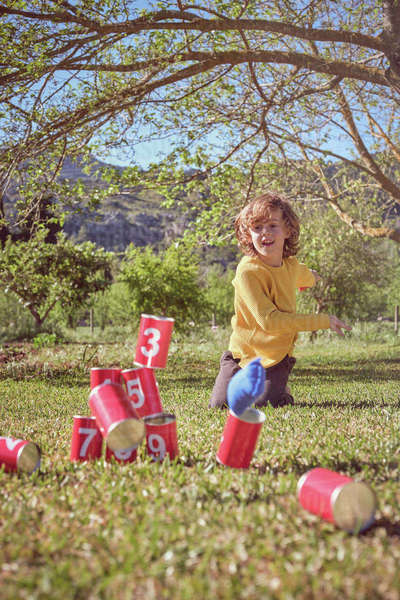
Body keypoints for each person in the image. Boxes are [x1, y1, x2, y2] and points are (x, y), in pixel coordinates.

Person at [209, 191, 351, 409]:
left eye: (272, 225)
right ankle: (257, 382)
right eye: (257, 227)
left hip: (275, 357)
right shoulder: (247, 272)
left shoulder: (291, 266)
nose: (265, 233)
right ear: (248, 234)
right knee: (221, 405)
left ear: (288, 230)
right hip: (243, 354)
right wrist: (323, 320)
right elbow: (270, 321)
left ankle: (280, 388)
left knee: (263, 403)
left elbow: (302, 274)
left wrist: (312, 277)